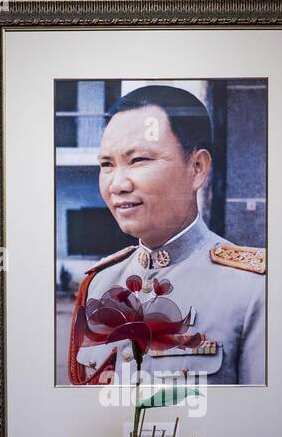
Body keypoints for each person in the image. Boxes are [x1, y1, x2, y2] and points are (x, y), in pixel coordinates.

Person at [67, 84, 265, 385]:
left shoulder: (252, 290)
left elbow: (268, 424)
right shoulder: (99, 284)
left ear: (197, 167)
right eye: (107, 164)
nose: (118, 184)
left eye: (139, 160)